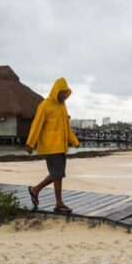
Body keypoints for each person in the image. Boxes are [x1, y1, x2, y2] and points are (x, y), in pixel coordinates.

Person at [25, 77, 80, 213]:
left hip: (61, 146)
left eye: (66, 93)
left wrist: (74, 140)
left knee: (58, 174)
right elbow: (36, 124)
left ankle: (35, 190)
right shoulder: (45, 105)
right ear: (56, 91)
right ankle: (58, 203)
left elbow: (66, 126)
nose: (64, 96)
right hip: (50, 146)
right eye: (62, 93)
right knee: (57, 174)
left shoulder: (62, 106)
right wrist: (30, 143)